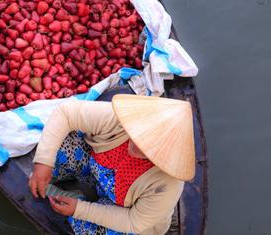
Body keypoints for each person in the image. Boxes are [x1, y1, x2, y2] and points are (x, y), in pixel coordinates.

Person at [28, 94, 195, 234]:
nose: (135, 145)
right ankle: (52, 184)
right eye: (138, 133)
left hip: (125, 213)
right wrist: (44, 162)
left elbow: (133, 221)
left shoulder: (167, 184)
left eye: (148, 148)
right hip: (94, 171)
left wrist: (80, 209)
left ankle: (74, 202)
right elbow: (66, 113)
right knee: (60, 143)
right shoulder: (119, 119)